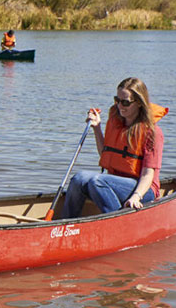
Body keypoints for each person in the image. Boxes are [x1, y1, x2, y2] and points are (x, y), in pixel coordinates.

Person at [61, 77, 166, 218]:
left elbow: (148, 174)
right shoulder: (117, 123)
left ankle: (118, 220)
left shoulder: (152, 132)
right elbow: (105, 154)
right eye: (117, 100)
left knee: (97, 181)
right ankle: (67, 222)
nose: (120, 106)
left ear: (139, 103)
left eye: (125, 102)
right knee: (78, 178)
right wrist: (97, 128)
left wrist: (136, 196)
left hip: (143, 189)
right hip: (113, 182)